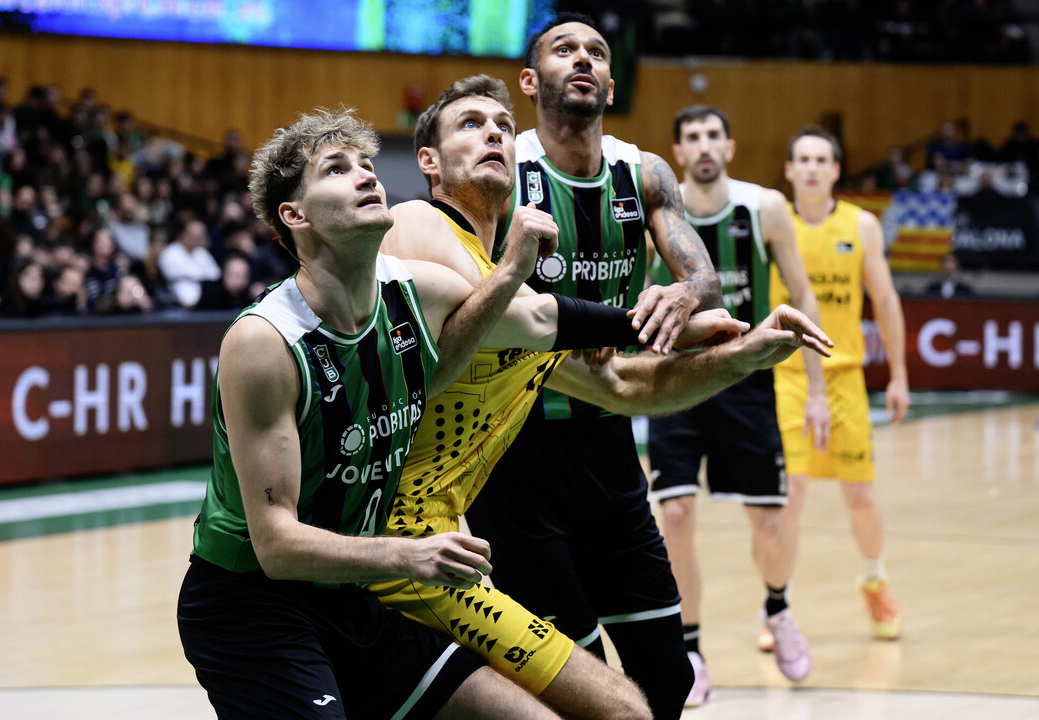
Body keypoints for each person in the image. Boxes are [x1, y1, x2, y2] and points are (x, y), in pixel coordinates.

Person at [372, 75, 834, 720]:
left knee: (642, 691)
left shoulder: (512, 286)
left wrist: (748, 351)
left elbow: (623, 384)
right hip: (384, 548)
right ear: (428, 162)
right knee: (611, 706)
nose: (494, 136)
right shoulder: (418, 225)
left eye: (502, 127)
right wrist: (635, 324)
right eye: (471, 125)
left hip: (443, 549)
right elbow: (529, 320)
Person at [177, 104, 573, 720]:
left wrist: (661, 324)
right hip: (250, 606)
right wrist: (409, 554)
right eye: (338, 169)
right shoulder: (263, 341)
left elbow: (514, 330)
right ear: (294, 215)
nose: (367, 175)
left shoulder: (411, 290)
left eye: (367, 164)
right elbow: (277, 544)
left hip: (349, 594)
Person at [462, 14, 729, 719]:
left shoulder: (643, 174)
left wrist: (680, 291)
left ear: (610, 85)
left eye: (596, 52)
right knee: (579, 684)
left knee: (666, 680)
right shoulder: (501, 172)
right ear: (530, 80)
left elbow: (707, 281)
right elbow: (466, 286)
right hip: (513, 456)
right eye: (563, 49)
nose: (582, 58)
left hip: (610, 448)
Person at [647, 105, 829, 700]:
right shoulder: (658, 218)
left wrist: (818, 390)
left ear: (729, 147)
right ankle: (691, 646)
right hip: (677, 377)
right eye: (691, 137)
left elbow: (801, 292)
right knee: (673, 513)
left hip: (747, 381)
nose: (703, 146)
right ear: (677, 152)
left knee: (770, 521)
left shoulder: (765, 207)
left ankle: (777, 608)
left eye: (712, 136)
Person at [776, 125, 910, 643]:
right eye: (802, 159)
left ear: (835, 170)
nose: (811, 168)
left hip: (845, 377)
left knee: (861, 498)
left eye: (821, 160)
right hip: (784, 377)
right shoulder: (773, 222)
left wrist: (898, 375)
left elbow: (887, 300)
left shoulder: (863, 226)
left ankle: (875, 582)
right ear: (789, 170)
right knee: (789, 495)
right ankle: (779, 606)